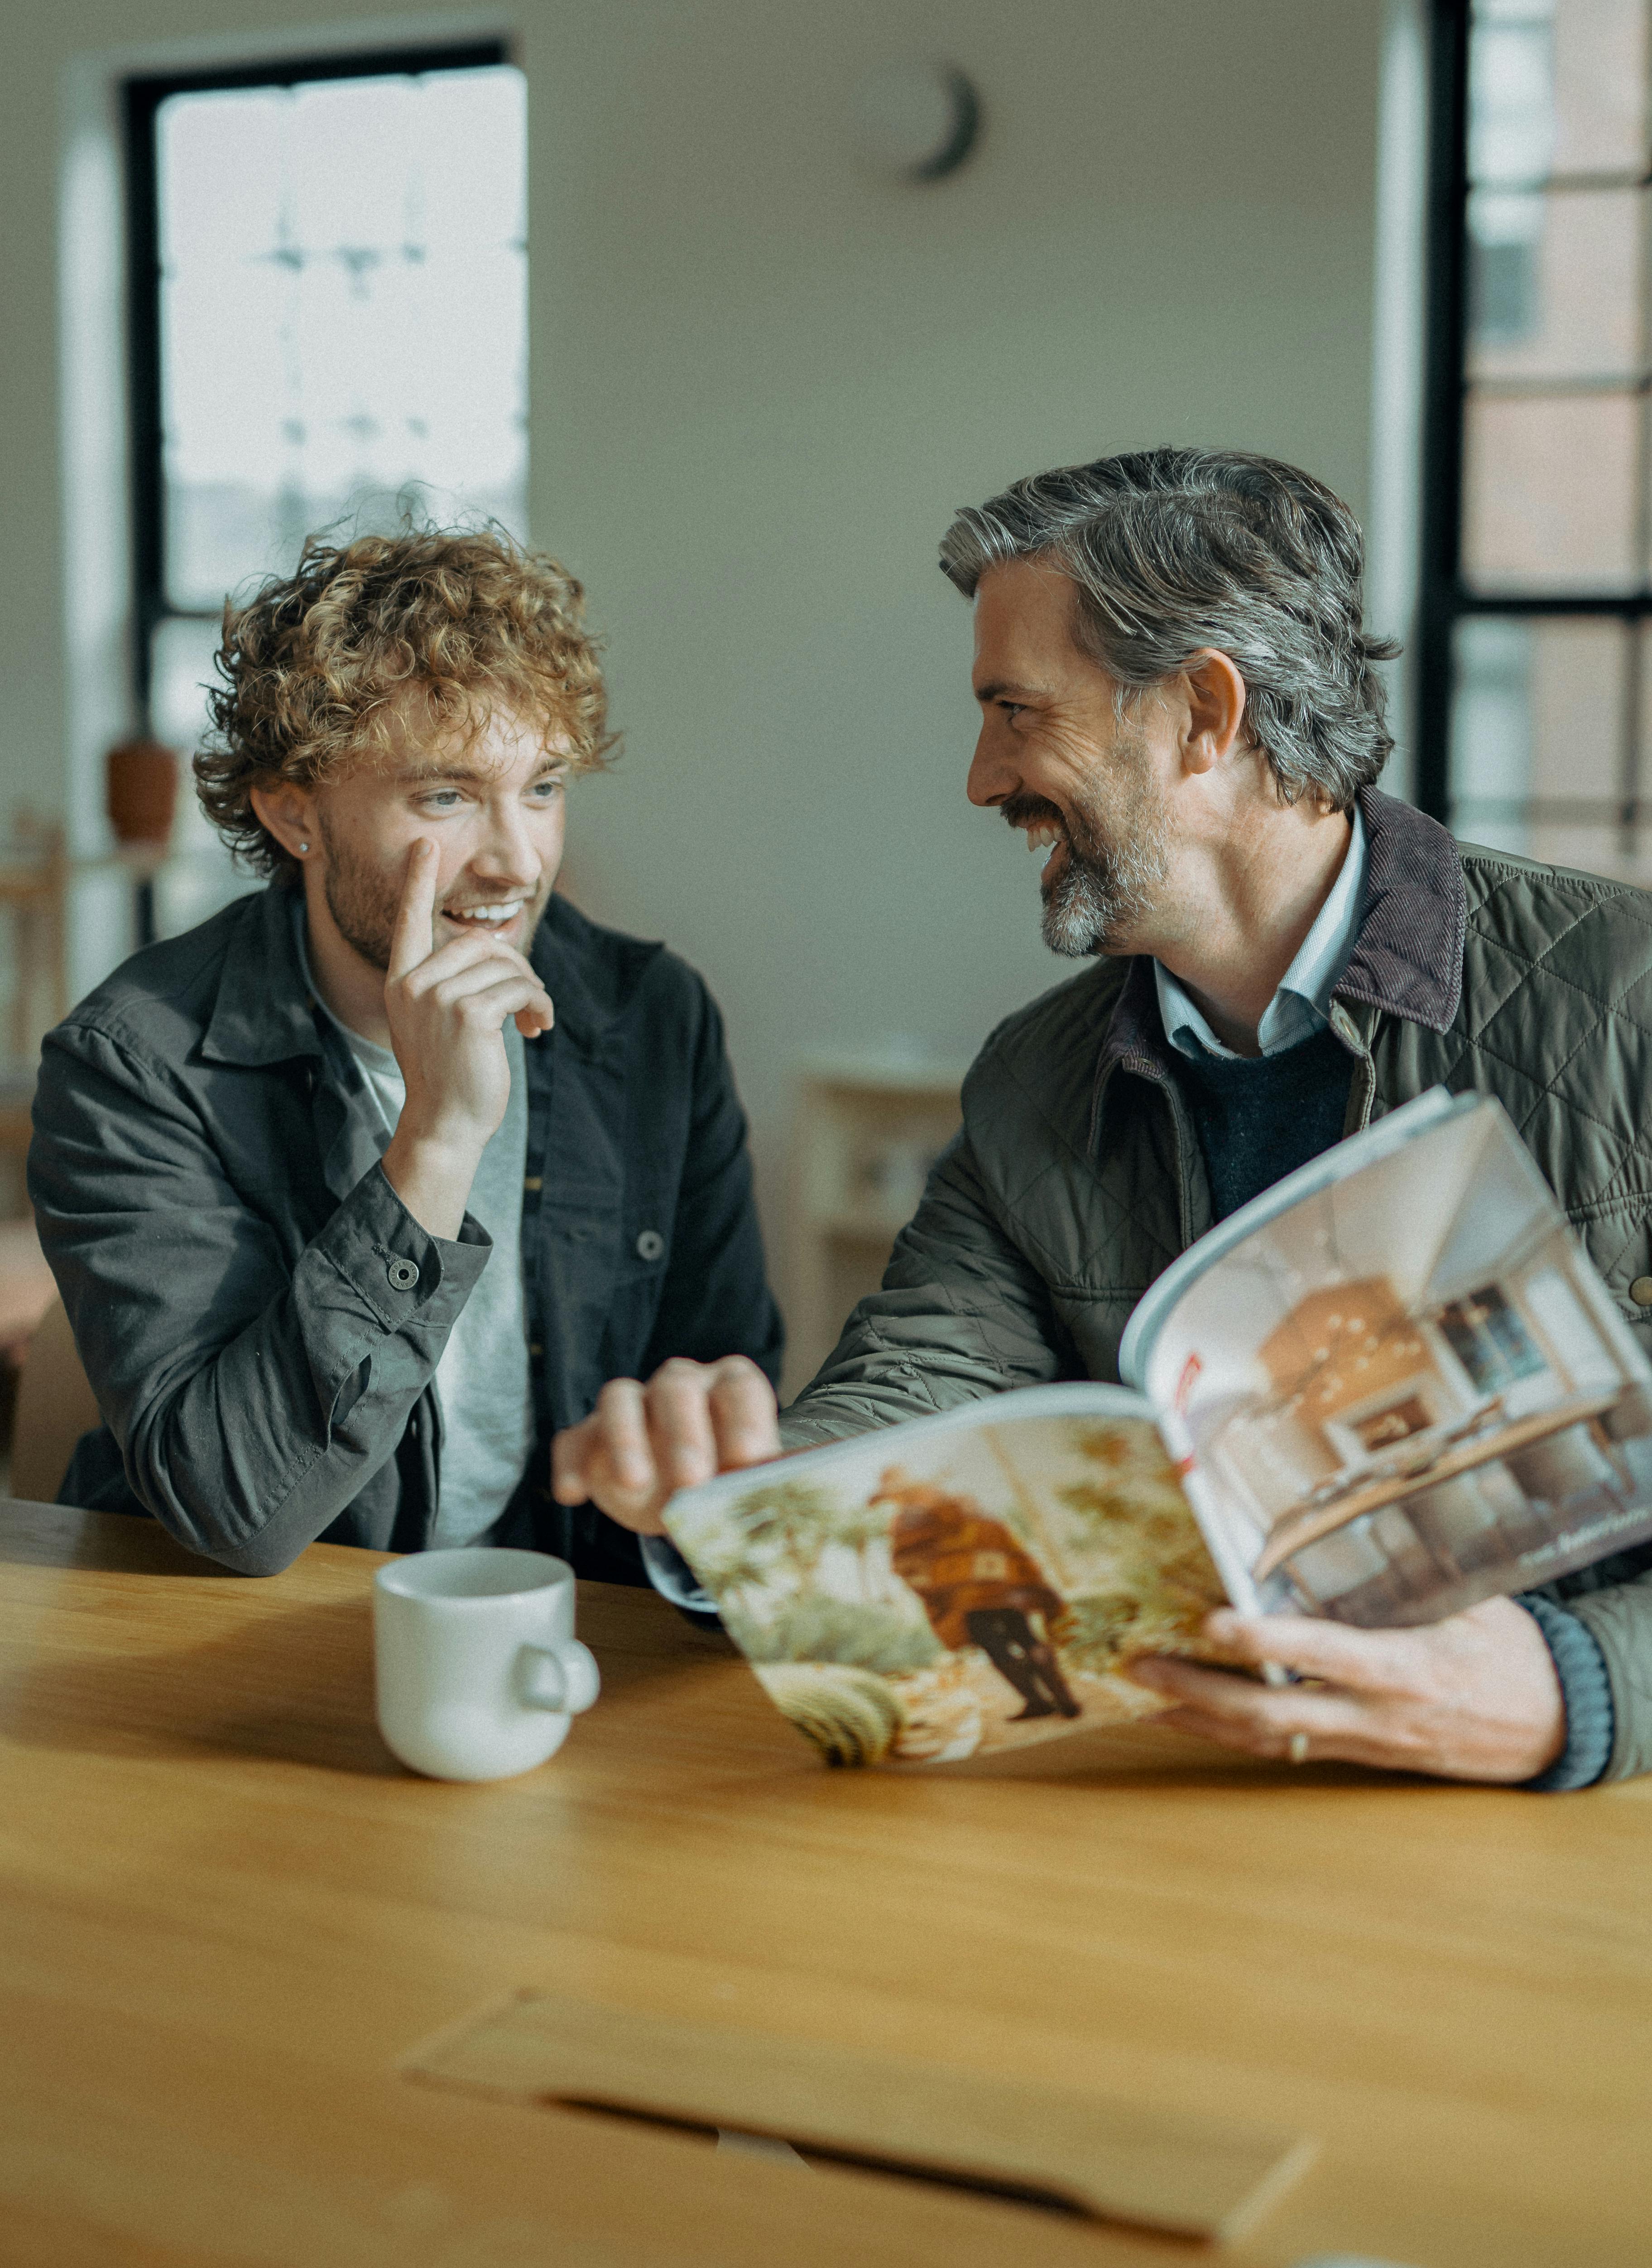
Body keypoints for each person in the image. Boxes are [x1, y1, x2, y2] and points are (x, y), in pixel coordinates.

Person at [553, 448, 1652, 1788]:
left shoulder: (1625, 1001)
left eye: (1016, 711)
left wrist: (1572, 1690)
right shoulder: (1033, 1081)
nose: (979, 778)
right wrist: (741, 1496)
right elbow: (917, 1387)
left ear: (1203, 712)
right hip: (1186, 1797)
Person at [29, 529, 781, 1581]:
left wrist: (674, 1448)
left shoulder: (652, 1017)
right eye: (446, 795)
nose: (518, 860)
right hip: (241, 1637)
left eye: (543, 787)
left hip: (544, 1612)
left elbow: (722, 1377)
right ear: (295, 810)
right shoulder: (136, 1066)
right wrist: (435, 1140)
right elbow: (234, 1506)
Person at [871, 1470, 1081, 1719]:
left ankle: (1037, 1702)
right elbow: (1001, 1538)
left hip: (965, 1598)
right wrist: (1017, 1577)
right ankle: (1066, 1701)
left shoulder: (909, 1520)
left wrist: (940, 1588)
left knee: (995, 1647)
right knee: (1027, 1638)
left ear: (899, 1495)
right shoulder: (966, 1506)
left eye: (891, 1497)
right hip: (1005, 1588)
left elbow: (909, 1562)